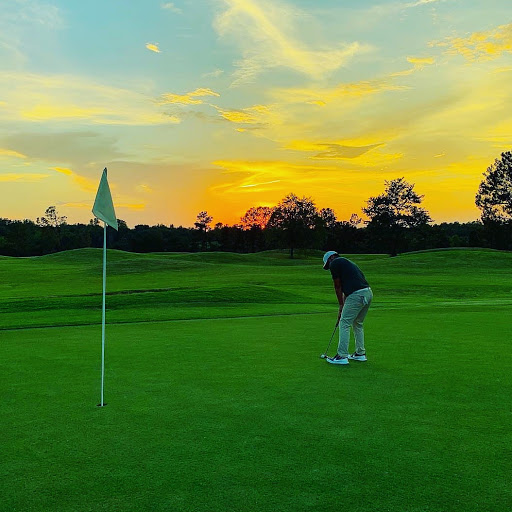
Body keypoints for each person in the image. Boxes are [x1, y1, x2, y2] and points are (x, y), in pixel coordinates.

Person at [322, 251, 373, 365]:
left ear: (331, 258)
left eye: (328, 264)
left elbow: (338, 287)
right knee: (357, 323)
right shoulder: (347, 263)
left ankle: (342, 356)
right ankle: (360, 354)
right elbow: (347, 290)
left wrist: (341, 305)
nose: (329, 267)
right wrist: (343, 305)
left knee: (344, 323)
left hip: (357, 295)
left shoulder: (335, 263)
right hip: (367, 293)